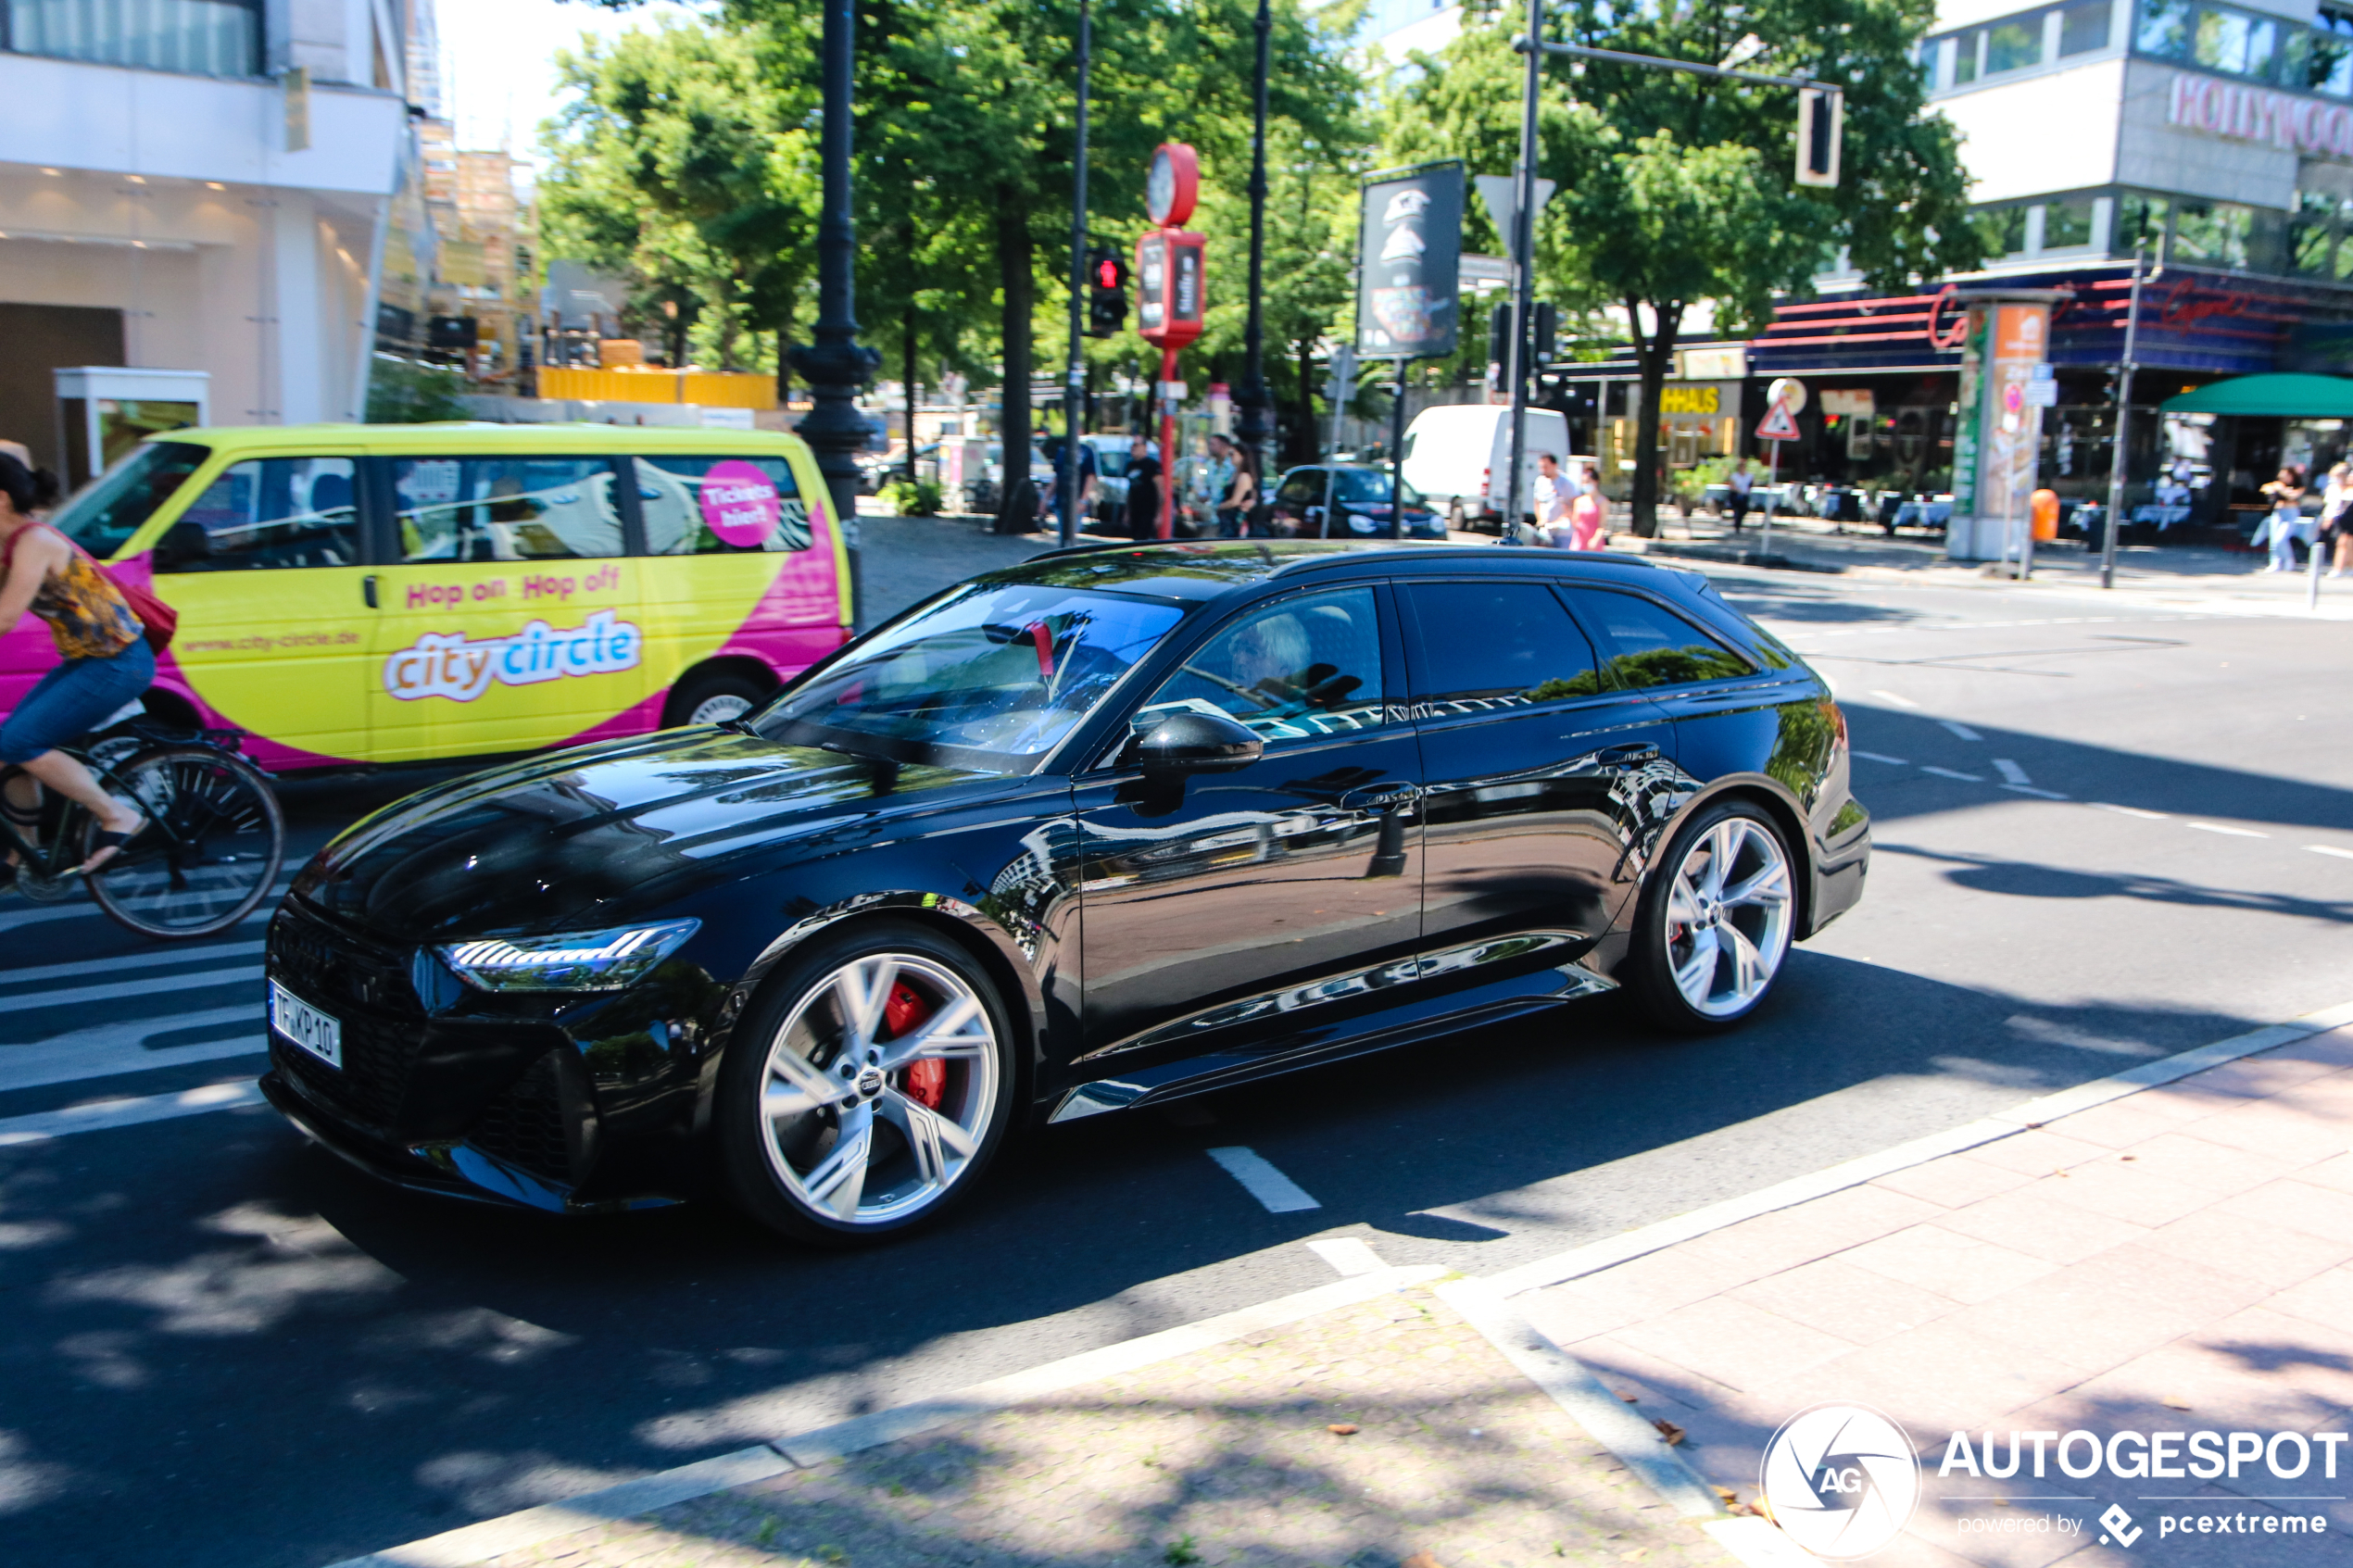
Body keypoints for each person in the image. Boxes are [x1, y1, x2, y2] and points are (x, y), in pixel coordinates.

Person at [0, 452, 151, 874]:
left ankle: (116, 814)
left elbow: (7, 616)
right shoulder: (10, 543)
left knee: (19, 742)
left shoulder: (35, 541)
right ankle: (24, 856)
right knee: (6, 749)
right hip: (90, 660)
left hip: (118, 663)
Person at [2258, 466, 2309, 571]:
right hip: (2278, 512)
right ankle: (2275, 562)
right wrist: (2272, 490)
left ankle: (2289, 560)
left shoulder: (2298, 487)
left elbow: (2292, 496)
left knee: (2280, 538)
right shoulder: (2277, 484)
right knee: (2273, 539)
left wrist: (2282, 489)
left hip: (2291, 513)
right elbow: (2264, 488)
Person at [1124, 433, 1162, 542]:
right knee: (1134, 539)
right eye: (1132, 445)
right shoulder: (1130, 465)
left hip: (1148, 510)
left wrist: (1159, 513)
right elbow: (1130, 490)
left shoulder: (1152, 465)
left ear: (1144, 447)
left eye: (1136, 445)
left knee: (1143, 539)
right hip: (1135, 509)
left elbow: (1160, 490)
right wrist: (1127, 512)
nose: (1133, 448)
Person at [2322, 461, 2353, 579]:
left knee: (2345, 544)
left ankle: (2340, 568)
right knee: (2343, 543)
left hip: (2349, 518)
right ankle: (2345, 567)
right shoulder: (2340, 489)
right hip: (2343, 519)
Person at [1533, 453, 1572, 546]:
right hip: (1546, 531)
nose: (1543, 470)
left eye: (1546, 467)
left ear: (1555, 466)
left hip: (1563, 532)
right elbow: (1537, 503)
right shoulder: (1540, 481)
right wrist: (1541, 519)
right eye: (1541, 467)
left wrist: (1559, 521)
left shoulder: (1566, 482)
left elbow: (1573, 505)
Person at [1568, 463, 1609, 551]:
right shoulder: (1578, 501)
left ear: (1596, 481)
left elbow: (1602, 525)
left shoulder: (1602, 501)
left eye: (1588, 481)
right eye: (1583, 482)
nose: (1585, 485)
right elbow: (1575, 523)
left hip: (1594, 540)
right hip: (1579, 540)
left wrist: (1596, 539)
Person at [1727, 457, 1755, 533]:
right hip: (1736, 494)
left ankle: (1739, 521)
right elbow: (1731, 486)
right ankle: (1737, 524)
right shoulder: (1734, 476)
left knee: (1744, 509)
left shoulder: (1749, 476)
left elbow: (1751, 484)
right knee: (1737, 508)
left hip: (1745, 495)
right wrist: (1738, 490)